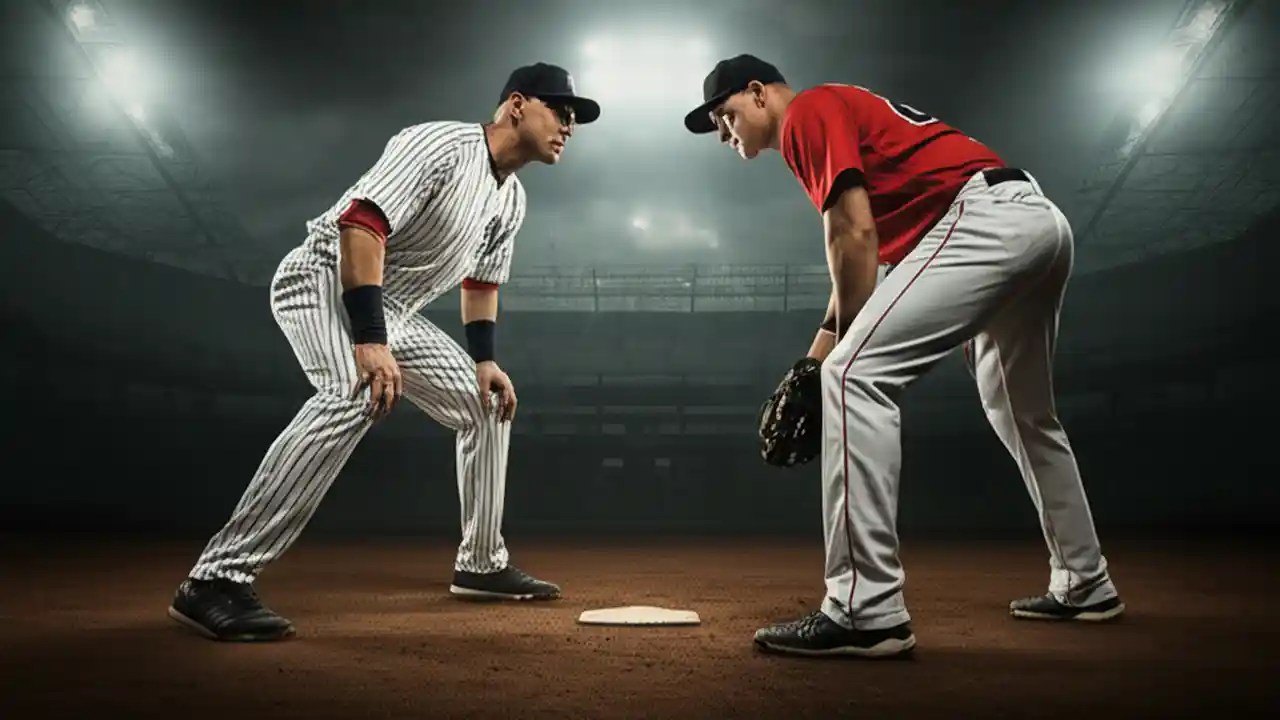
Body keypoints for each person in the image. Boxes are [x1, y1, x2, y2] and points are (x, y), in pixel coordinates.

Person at [684, 55, 1124, 658]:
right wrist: (814, 355)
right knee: (1023, 415)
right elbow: (865, 266)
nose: (723, 132)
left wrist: (829, 366)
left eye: (724, 115)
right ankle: (1085, 581)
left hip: (982, 224)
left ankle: (866, 610)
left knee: (854, 377)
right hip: (1032, 224)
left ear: (758, 93)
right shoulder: (842, 116)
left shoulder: (807, 113)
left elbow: (853, 235)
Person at [168, 62, 600, 642]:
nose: (569, 124)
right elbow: (362, 224)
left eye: (574, 116)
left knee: (486, 403)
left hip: (393, 311)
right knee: (353, 393)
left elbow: (481, 285)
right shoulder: (442, 144)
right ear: (517, 105)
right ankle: (215, 579)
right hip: (323, 277)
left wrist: (485, 361)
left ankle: (481, 563)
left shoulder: (512, 199)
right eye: (561, 109)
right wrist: (368, 340)